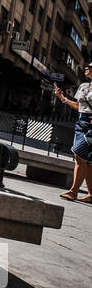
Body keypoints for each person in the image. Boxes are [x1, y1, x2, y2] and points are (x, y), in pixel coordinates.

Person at [54, 60, 92, 203]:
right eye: (87, 65)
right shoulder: (83, 86)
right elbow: (78, 106)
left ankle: (73, 192)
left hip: (91, 125)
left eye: (90, 66)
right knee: (86, 161)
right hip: (80, 123)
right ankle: (91, 194)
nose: (86, 67)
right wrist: (62, 98)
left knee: (80, 157)